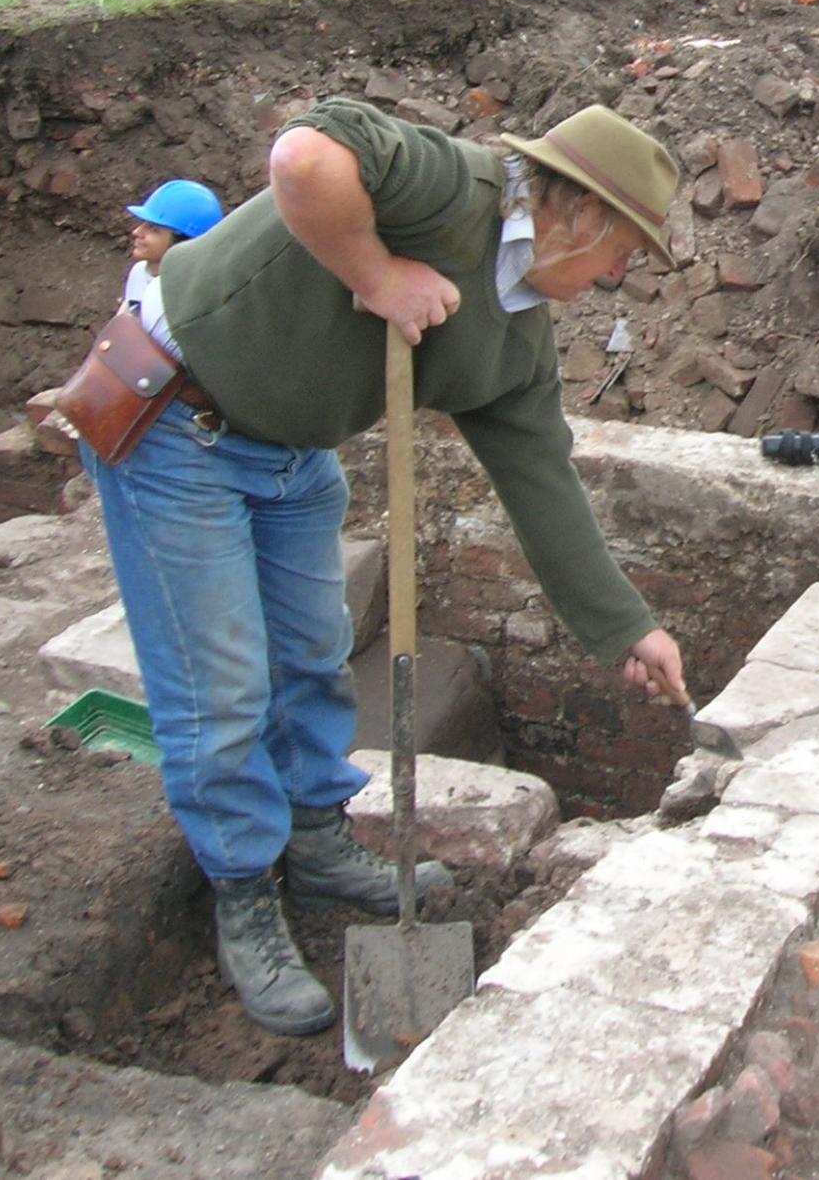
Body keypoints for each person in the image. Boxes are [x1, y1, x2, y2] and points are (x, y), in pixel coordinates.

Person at [77, 95, 690, 1037]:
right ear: (583, 211)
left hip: (289, 453)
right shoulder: (453, 188)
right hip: (175, 422)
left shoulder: (516, 341)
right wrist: (374, 273)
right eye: (623, 250)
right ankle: (244, 891)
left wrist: (624, 625)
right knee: (222, 685)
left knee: (316, 655)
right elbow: (305, 157)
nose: (619, 274)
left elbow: (542, 480)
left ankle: (315, 840)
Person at [121, 178, 224, 313]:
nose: (137, 232)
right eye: (143, 224)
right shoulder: (139, 272)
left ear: (183, 242)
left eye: (153, 229)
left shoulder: (195, 296)